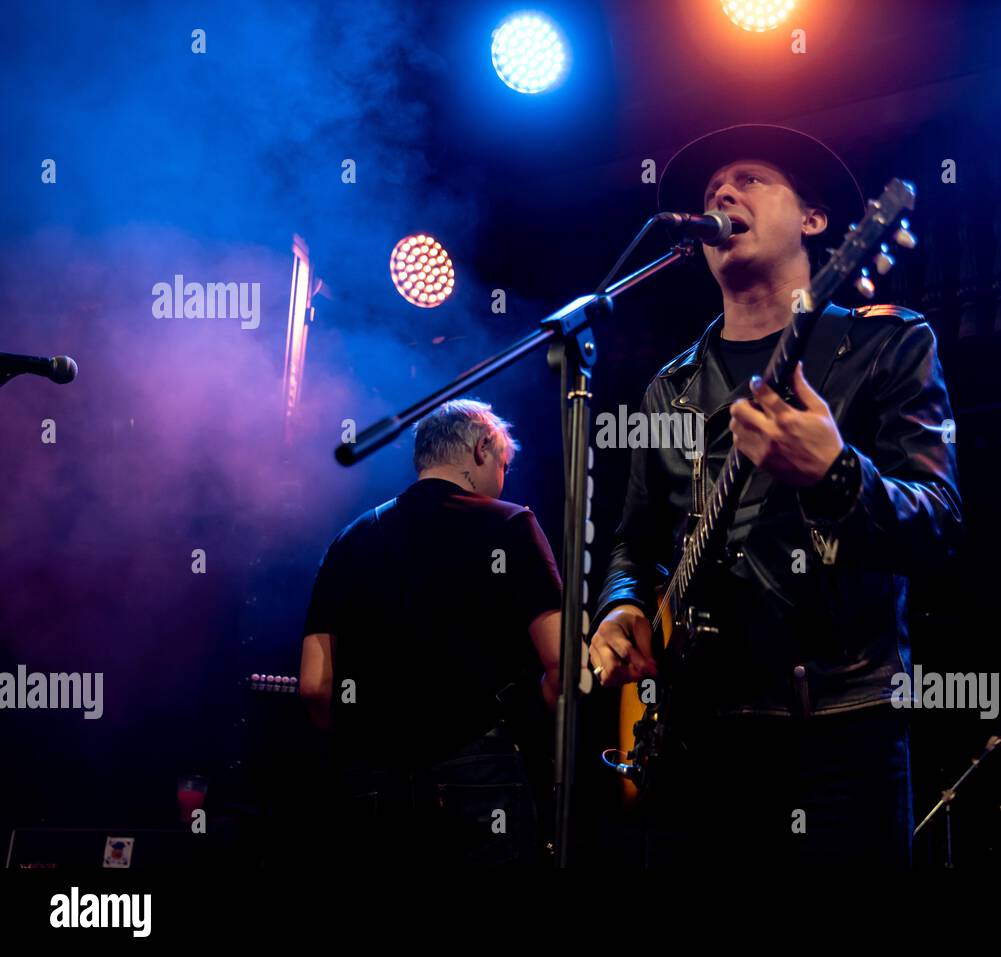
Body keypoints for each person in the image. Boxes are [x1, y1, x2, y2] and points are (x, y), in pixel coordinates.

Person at [588, 124, 963, 866]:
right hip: (701, 734)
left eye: (751, 180)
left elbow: (940, 523)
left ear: (818, 222)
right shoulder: (670, 387)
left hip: (837, 726)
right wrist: (621, 605)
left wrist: (838, 475)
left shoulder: (888, 344)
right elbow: (633, 536)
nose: (723, 194)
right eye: (711, 192)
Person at [299, 399, 562, 866]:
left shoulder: (351, 539)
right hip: (481, 773)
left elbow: (315, 686)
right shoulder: (511, 523)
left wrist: (368, 746)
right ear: (482, 448)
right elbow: (563, 663)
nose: (504, 479)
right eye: (503, 464)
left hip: (370, 783)